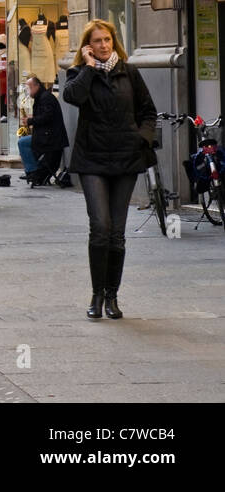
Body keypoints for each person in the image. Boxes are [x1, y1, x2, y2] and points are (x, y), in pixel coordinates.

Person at [63, 19, 156, 320]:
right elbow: (72, 97)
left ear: (114, 42)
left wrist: (139, 137)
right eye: (97, 41)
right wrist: (89, 68)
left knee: (116, 232)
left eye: (107, 40)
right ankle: (96, 294)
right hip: (92, 160)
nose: (103, 46)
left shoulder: (129, 72)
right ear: (88, 46)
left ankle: (113, 296)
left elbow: (148, 112)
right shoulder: (79, 73)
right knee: (100, 227)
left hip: (125, 159)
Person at [22, 73, 69, 186]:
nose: (27, 91)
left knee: (23, 143)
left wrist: (30, 121)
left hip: (51, 138)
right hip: (46, 135)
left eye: (29, 88)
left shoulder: (45, 98)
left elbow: (47, 117)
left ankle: (33, 171)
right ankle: (32, 171)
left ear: (36, 86)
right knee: (23, 142)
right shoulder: (42, 97)